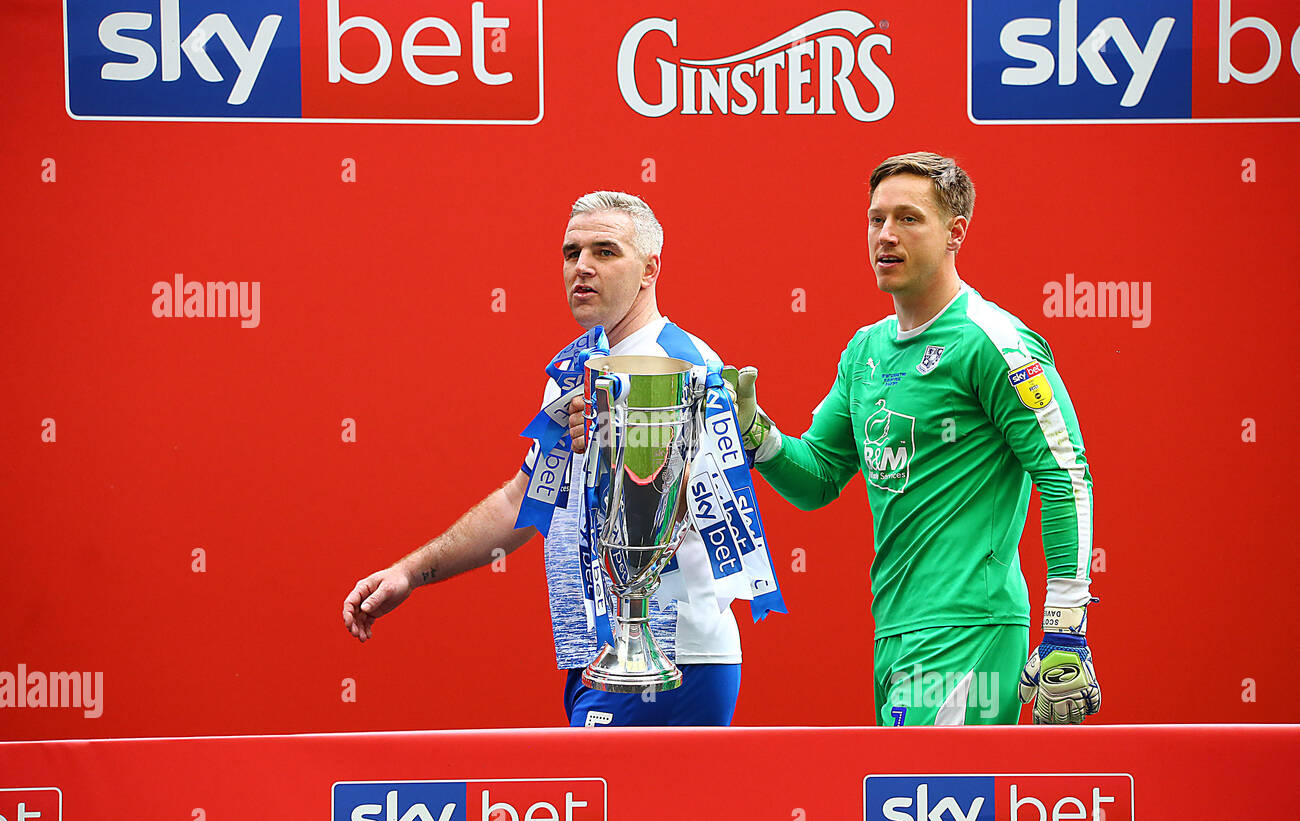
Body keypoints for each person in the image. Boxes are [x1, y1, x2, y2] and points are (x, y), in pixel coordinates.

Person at [342, 191, 742, 727]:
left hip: (670, 658)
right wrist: (409, 572)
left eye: (605, 251)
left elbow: (716, 502)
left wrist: (616, 442)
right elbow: (523, 502)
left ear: (650, 270)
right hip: (593, 657)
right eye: (571, 252)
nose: (582, 267)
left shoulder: (685, 364)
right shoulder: (575, 369)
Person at [735, 152, 1100, 726]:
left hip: (969, 629)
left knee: (935, 802)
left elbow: (1066, 473)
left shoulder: (994, 341)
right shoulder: (865, 349)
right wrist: (756, 433)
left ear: (956, 233)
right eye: (876, 220)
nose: (885, 235)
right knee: (902, 809)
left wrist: (1066, 628)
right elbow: (819, 478)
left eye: (908, 219)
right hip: (895, 632)